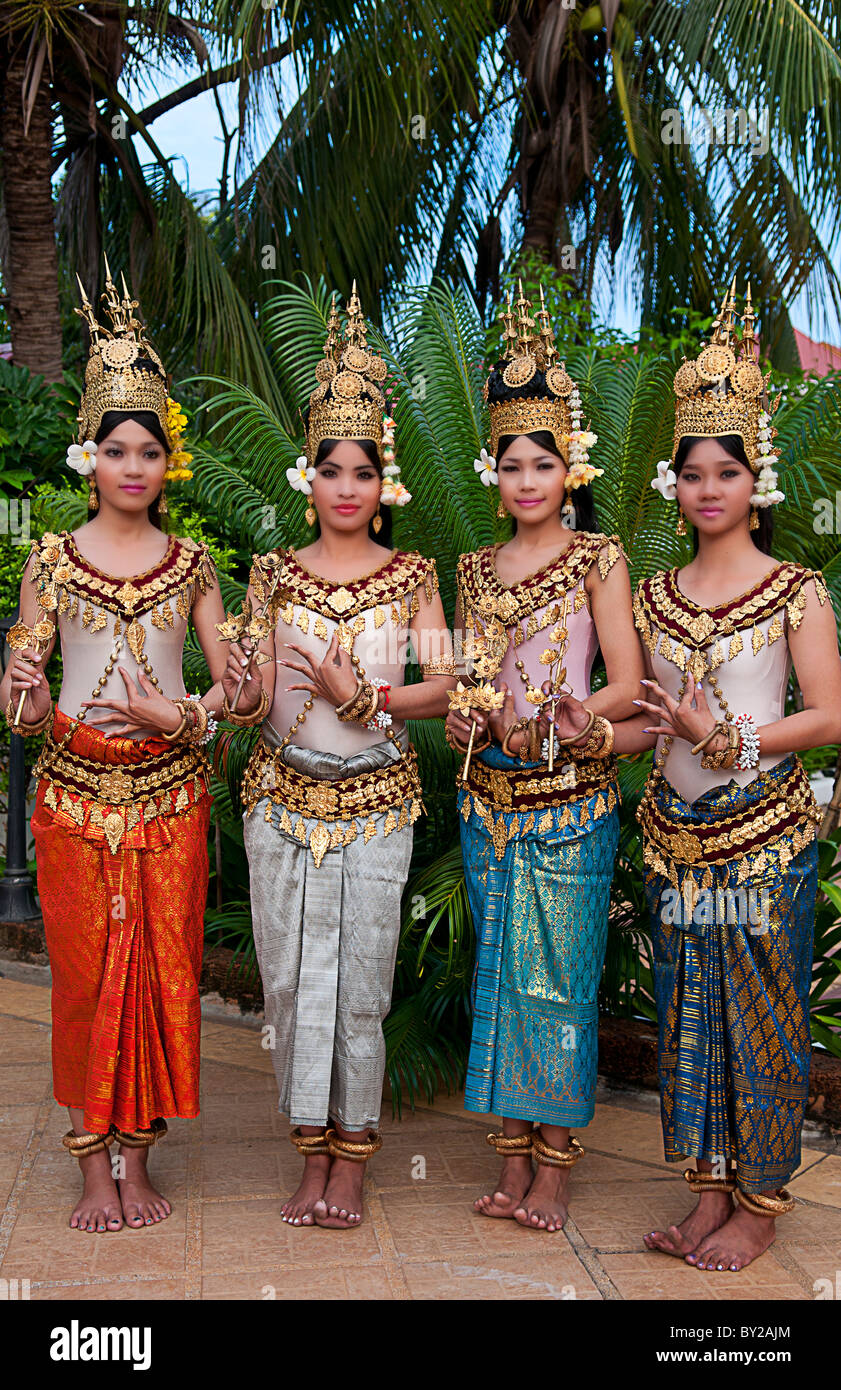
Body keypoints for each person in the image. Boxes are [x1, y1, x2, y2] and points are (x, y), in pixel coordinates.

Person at [1, 264, 246, 1235]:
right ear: (89, 458)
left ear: (165, 460)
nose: (133, 466)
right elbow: (21, 685)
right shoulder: (50, 559)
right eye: (117, 450)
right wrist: (19, 694)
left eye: (149, 449)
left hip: (172, 798)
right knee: (85, 983)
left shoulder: (193, 565)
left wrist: (185, 717)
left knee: (164, 978)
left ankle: (139, 1158)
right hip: (69, 800)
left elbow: (235, 684)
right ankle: (92, 1171)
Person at [618, 282, 841, 1271]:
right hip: (674, 837)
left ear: (759, 479)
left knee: (762, 1019)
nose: (708, 488)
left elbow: (830, 717)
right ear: (673, 483)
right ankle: (705, 1191)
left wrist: (733, 740)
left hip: (764, 838)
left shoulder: (794, 592)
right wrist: (569, 727)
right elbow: (641, 721)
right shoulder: (655, 593)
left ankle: (759, 1200)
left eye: (727, 471)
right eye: (692, 472)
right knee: (686, 1011)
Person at [236, 284, 457, 1229]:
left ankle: (354, 1164)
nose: (346, 488)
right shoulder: (273, 573)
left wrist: (361, 699)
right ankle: (308, 1152)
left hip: (375, 800)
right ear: (309, 477)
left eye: (363, 473)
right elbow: (247, 694)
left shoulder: (412, 576)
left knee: (362, 983)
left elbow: (451, 686)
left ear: (385, 483)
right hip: (279, 797)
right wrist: (226, 694)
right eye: (331, 471)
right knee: (287, 983)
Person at [445, 283, 643, 1232]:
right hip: (487, 798)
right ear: (493, 473)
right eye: (511, 464)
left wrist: (565, 720)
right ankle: (512, 1158)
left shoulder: (599, 557)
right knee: (502, 972)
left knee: (557, 982)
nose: (527, 481)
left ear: (571, 468)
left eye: (543, 462)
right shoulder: (474, 571)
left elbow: (627, 682)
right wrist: (468, 717)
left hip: (571, 796)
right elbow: (463, 677)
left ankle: (555, 1171)